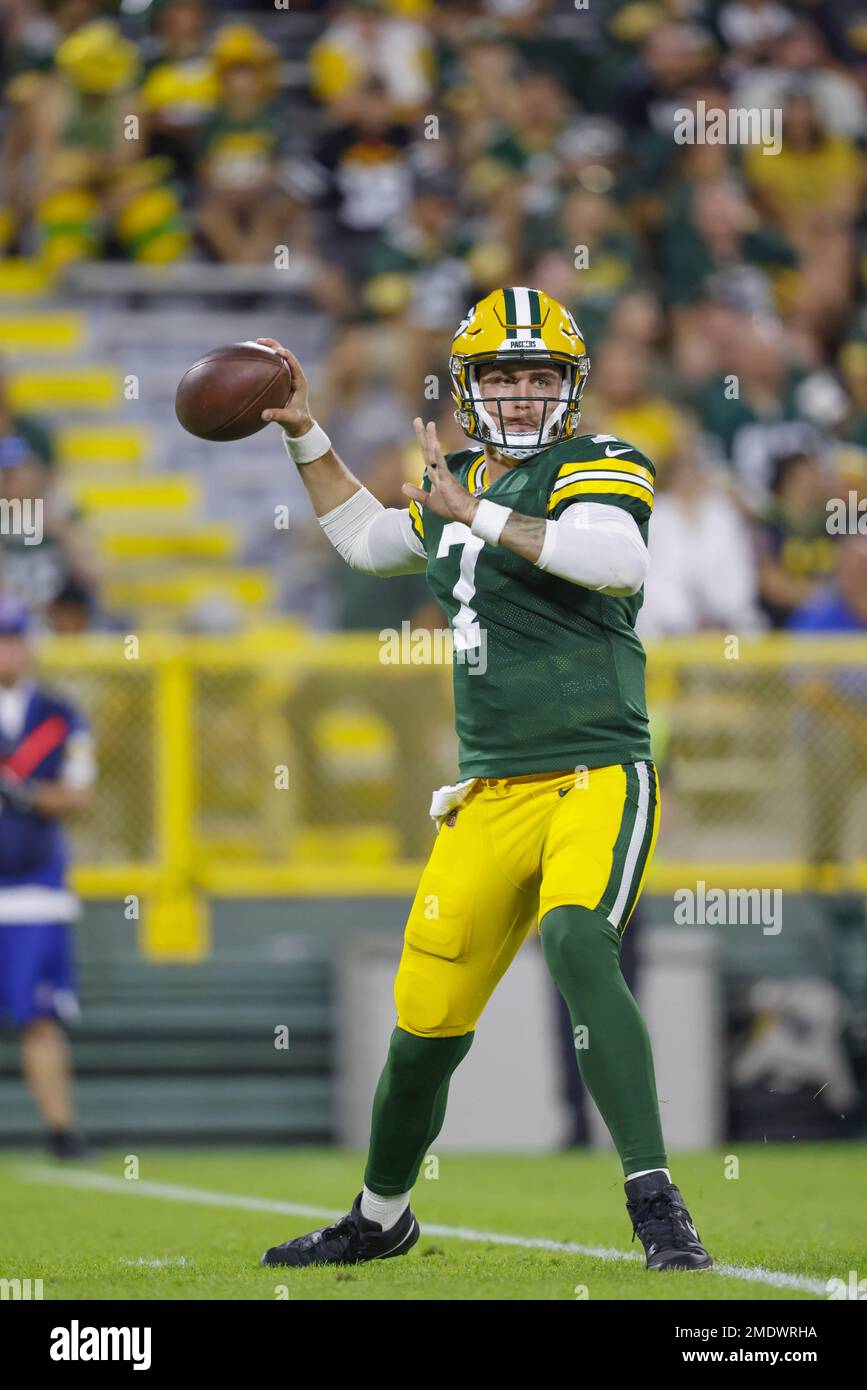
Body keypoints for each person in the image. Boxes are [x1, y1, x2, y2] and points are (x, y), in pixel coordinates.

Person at [255, 287, 713, 1273]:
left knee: (579, 942)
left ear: (568, 385)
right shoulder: (451, 479)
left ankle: (656, 1198)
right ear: (470, 385)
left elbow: (615, 553)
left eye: (536, 374)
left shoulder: (600, 461)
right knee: (423, 1026)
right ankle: (380, 1216)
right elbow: (367, 540)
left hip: (598, 771)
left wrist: (482, 512)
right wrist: (306, 433)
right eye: (500, 374)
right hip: (490, 791)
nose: (516, 392)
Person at [0, 596, 96, 1158]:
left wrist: (27, 793)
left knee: (40, 1016)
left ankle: (62, 1132)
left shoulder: (60, 715)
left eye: (13, 638)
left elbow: (78, 794)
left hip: (34, 889)